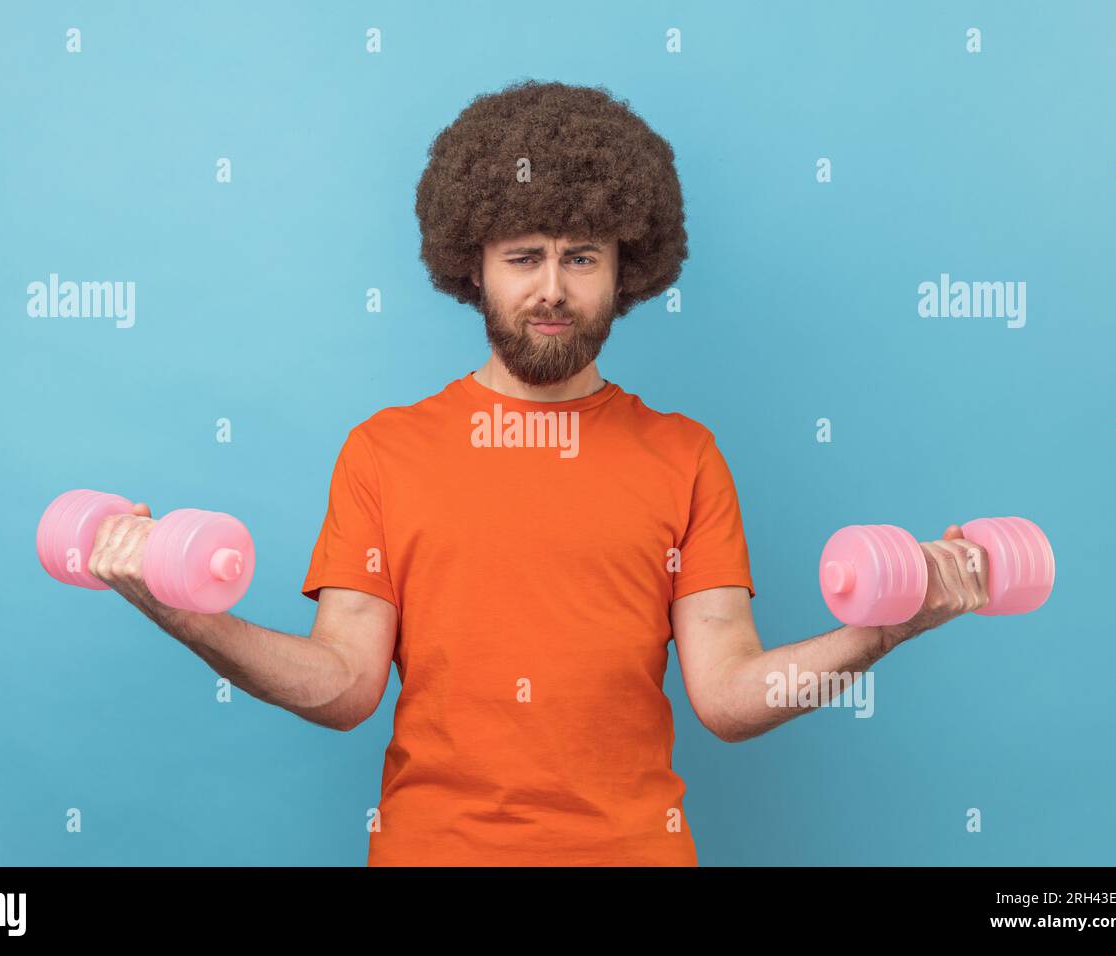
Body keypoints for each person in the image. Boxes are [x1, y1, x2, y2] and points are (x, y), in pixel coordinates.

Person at [87, 80, 990, 866]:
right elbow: (345, 683)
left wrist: (882, 632)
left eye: (581, 257)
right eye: (524, 257)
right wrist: (179, 605)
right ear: (473, 269)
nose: (551, 288)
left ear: (625, 271)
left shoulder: (685, 455)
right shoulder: (384, 452)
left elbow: (726, 694)